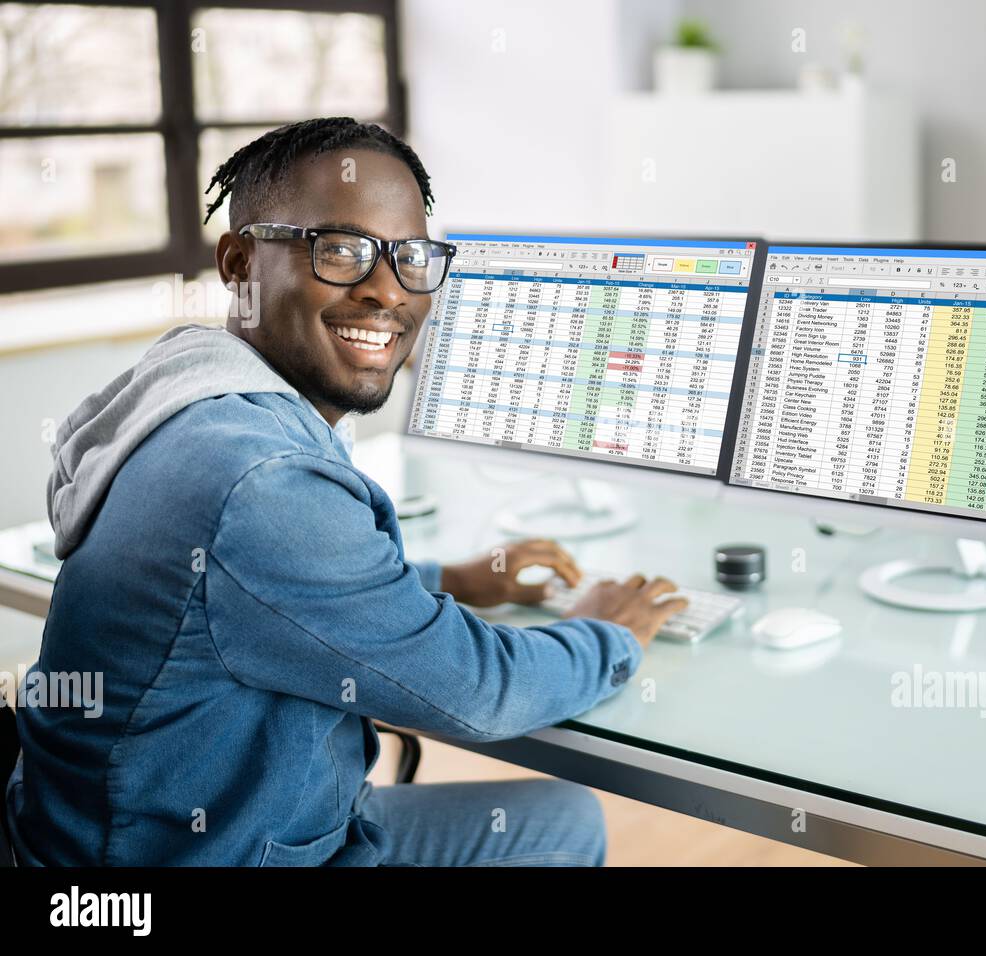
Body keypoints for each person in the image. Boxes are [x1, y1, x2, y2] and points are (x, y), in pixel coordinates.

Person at [5, 117, 686, 866]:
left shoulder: (190, 404)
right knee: (556, 825)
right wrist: (607, 633)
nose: (387, 291)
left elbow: (259, 598)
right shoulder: (259, 480)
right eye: (340, 250)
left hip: (110, 837)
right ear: (238, 262)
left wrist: (451, 582)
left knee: (556, 816)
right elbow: (482, 692)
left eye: (411, 256)